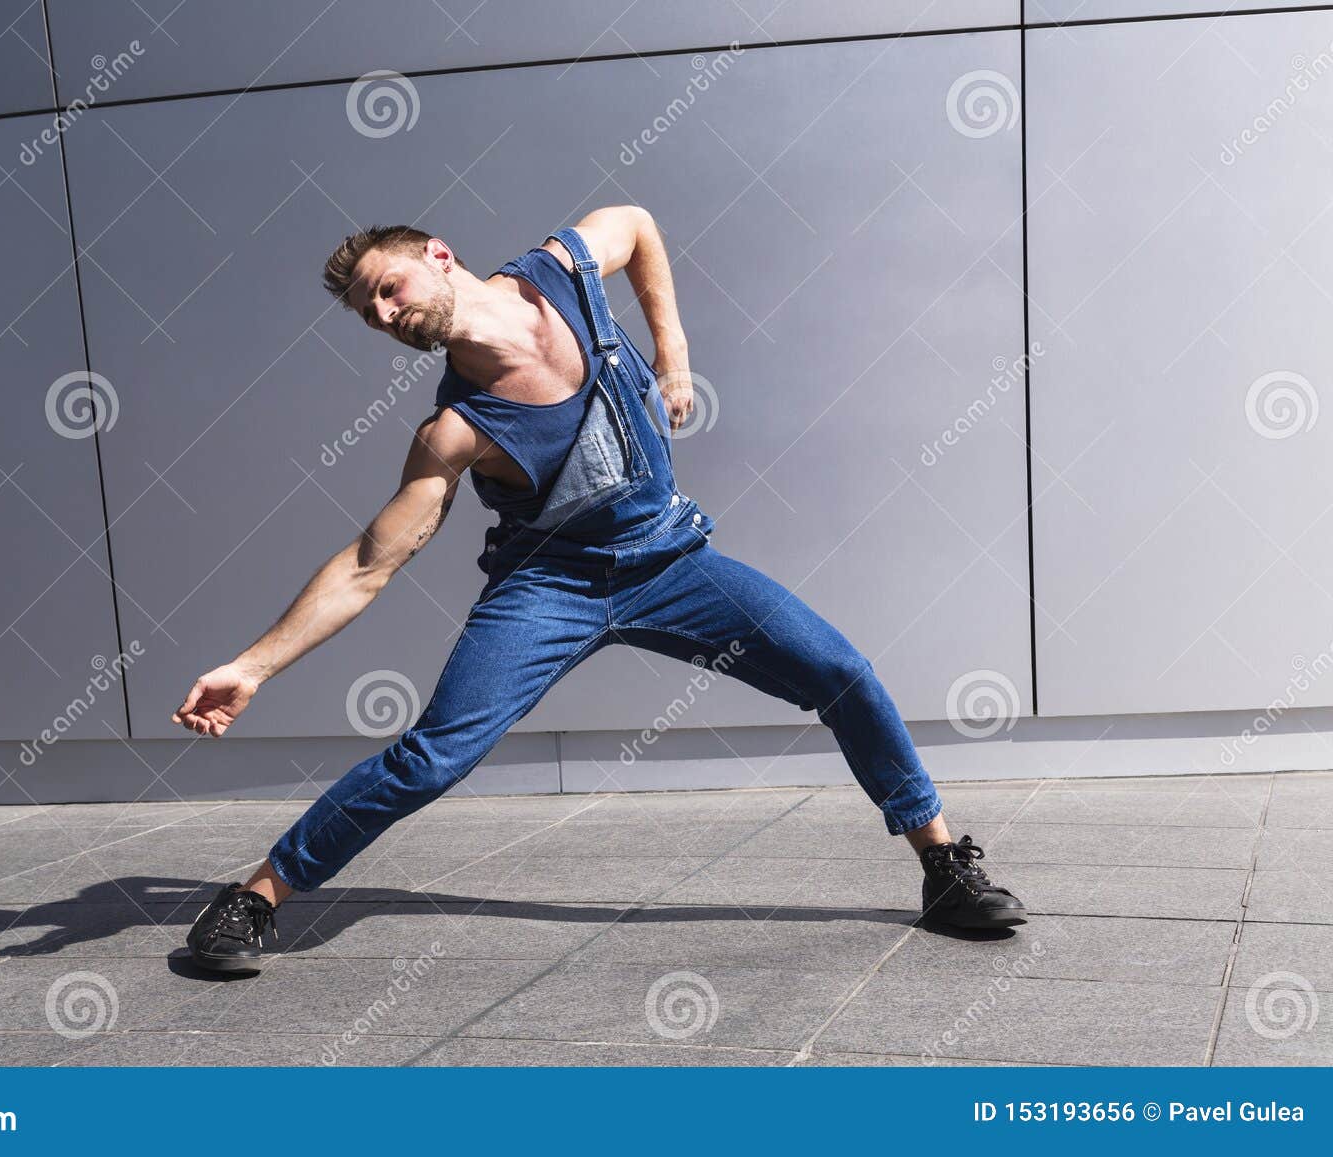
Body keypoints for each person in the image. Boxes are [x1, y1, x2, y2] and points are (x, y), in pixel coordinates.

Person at [175, 206, 1025, 973]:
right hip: (548, 589)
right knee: (433, 756)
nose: (387, 316)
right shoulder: (456, 429)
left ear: (437, 255)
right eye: (371, 315)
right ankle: (254, 897)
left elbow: (640, 223)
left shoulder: (562, 270)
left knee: (841, 672)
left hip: (671, 562)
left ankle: (943, 868)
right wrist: (252, 667)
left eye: (388, 289)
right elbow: (369, 562)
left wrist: (673, 354)